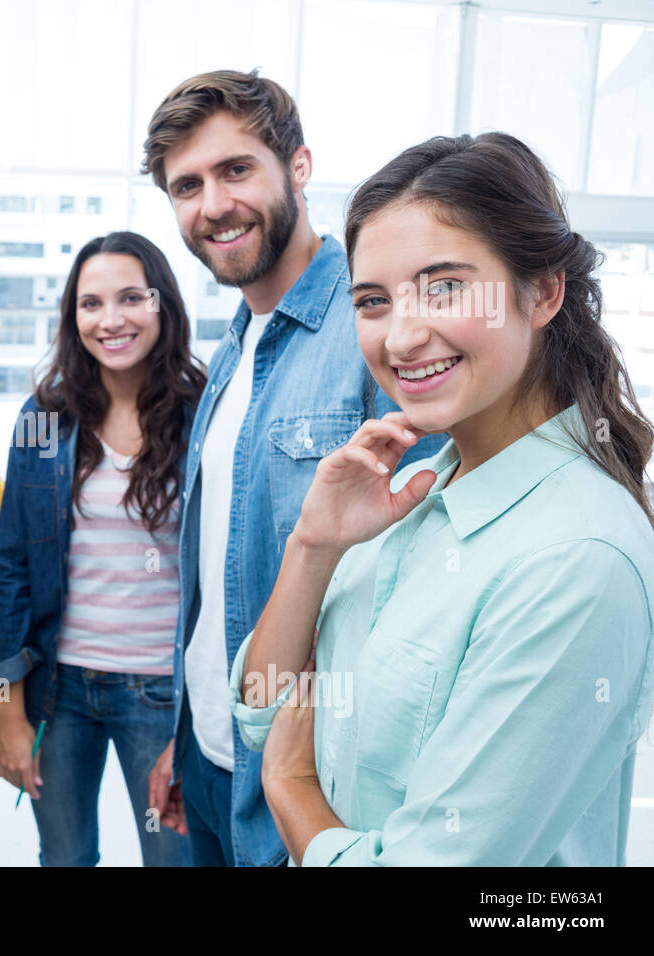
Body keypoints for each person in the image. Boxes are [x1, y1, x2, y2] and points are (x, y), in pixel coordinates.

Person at [234, 131, 654, 866]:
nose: (402, 336)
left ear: (544, 290)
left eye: (446, 287)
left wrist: (291, 786)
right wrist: (313, 545)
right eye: (373, 300)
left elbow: (285, 756)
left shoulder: (574, 560)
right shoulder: (408, 494)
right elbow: (264, 708)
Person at [139, 69, 444, 867]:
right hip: (211, 759)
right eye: (186, 186)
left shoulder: (376, 328)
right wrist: (187, 733)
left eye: (236, 170)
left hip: (308, 782)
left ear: (298, 167)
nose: (212, 205)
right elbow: (215, 576)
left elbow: (436, 569)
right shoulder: (236, 343)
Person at [0, 232, 202, 866]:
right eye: (90, 303)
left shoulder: (202, 413)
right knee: (65, 858)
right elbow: (12, 570)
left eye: (131, 298)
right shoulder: (43, 418)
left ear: (163, 306)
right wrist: (8, 711)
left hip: (162, 692)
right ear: (72, 317)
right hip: (58, 687)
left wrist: (195, 720)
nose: (111, 320)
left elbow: (220, 571)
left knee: (174, 861)